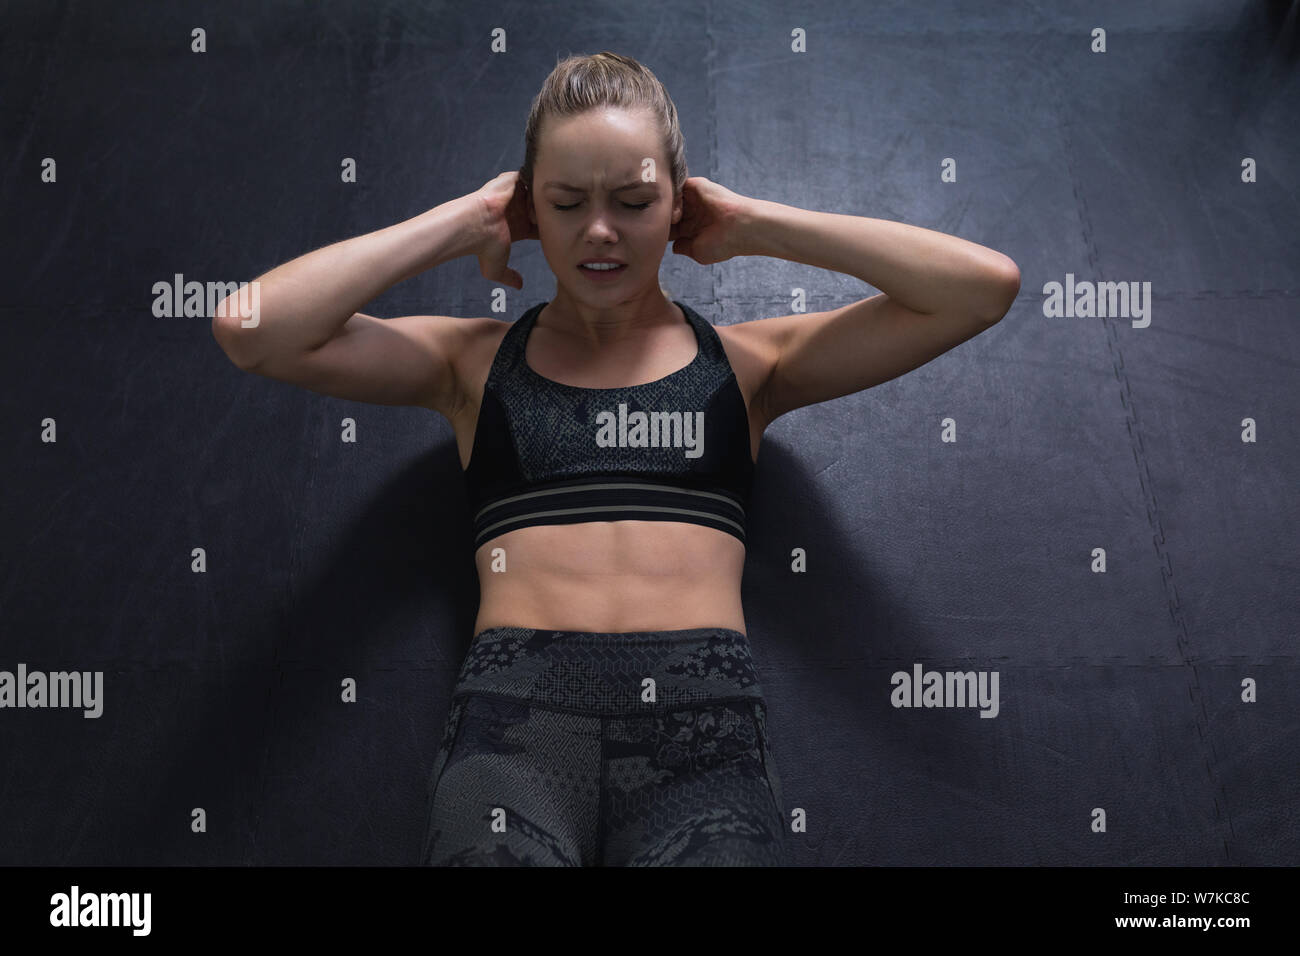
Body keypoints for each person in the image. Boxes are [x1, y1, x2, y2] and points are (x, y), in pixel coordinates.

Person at [211, 51, 1019, 866]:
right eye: (566, 203)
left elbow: (982, 287)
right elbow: (252, 328)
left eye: (634, 202)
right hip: (514, 734)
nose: (600, 231)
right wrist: (463, 222)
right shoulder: (470, 366)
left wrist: (755, 225)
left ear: (678, 203)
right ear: (530, 206)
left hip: (704, 740)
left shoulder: (750, 366)